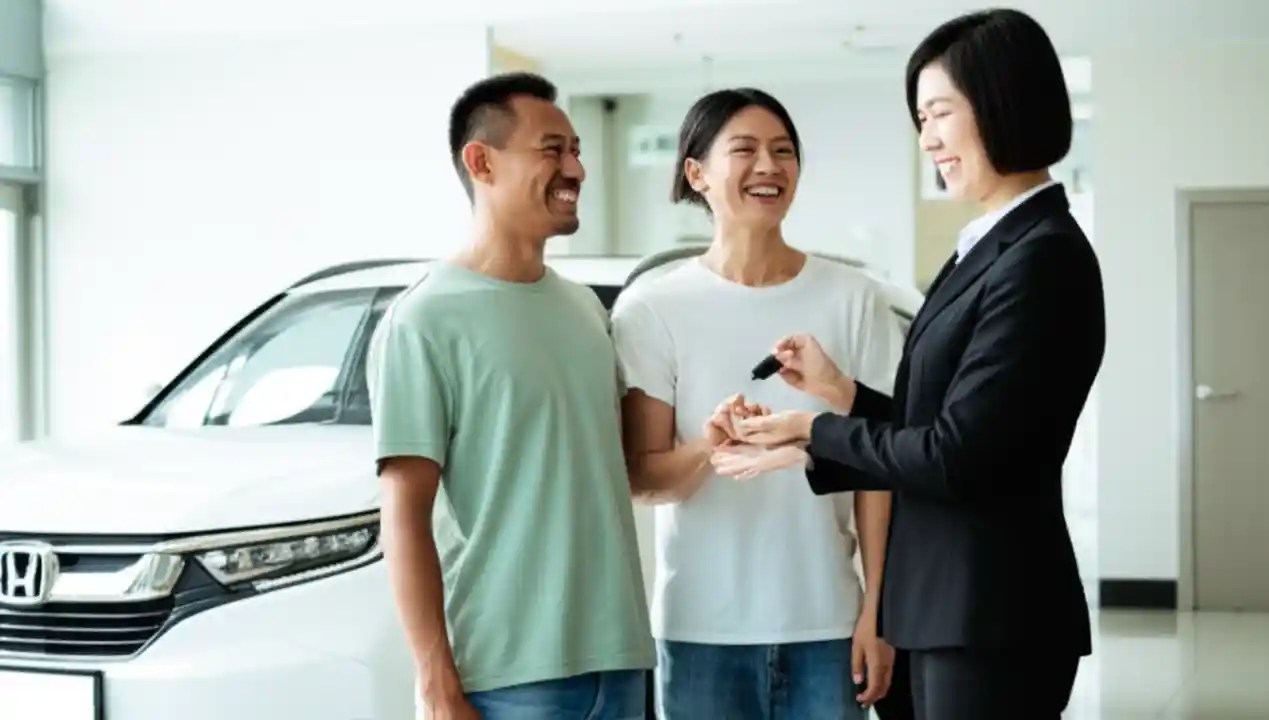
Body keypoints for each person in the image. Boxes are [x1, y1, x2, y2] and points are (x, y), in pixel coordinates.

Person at [711, 9, 1104, 719]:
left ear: (1003, 100)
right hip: (946, 609)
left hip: (990, 615)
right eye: (921, 119)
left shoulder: (1041, 257)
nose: (927, 140)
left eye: (940, 113)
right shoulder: (990, 247)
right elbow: (944, 429)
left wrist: (813, 430)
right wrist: (839, 397)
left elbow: (959, 456)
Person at [368, 72, 655, 720]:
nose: (575, 168)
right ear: (481, 162)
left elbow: (620, 469)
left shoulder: (584, 309)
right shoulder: (424, 320)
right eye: (553, 150)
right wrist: (436, 683)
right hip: (506, 677)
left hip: (621, 663)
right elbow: (404, 514)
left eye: (577, 150)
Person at [610, 87, 903, 720]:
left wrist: (876, 610)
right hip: (700, 630)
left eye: (784, 151)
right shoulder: (653, 308)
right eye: (744, 150)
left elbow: (879, 470)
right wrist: (710, 445)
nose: (769, 166)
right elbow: (644, 478)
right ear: (697, 173)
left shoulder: (854, 298)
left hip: (828, 622)